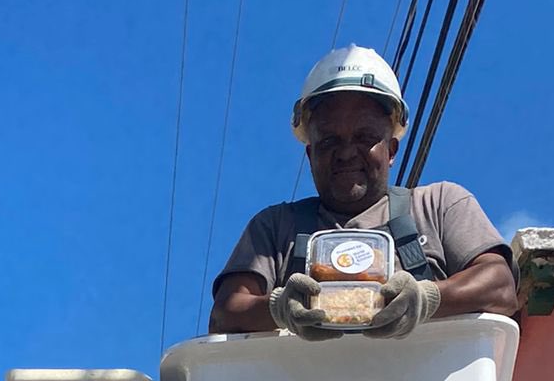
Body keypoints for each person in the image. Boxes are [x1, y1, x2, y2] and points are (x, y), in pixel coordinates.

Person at [209, 45, 517, 339]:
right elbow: (226, 313)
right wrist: (277, 308)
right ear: (310, 154)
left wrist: (429, 298)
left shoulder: (438, 205)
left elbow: (500, 287)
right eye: (329, 141)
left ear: (391, 149)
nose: (346, 154)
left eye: (364, 137)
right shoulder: (275, 228)